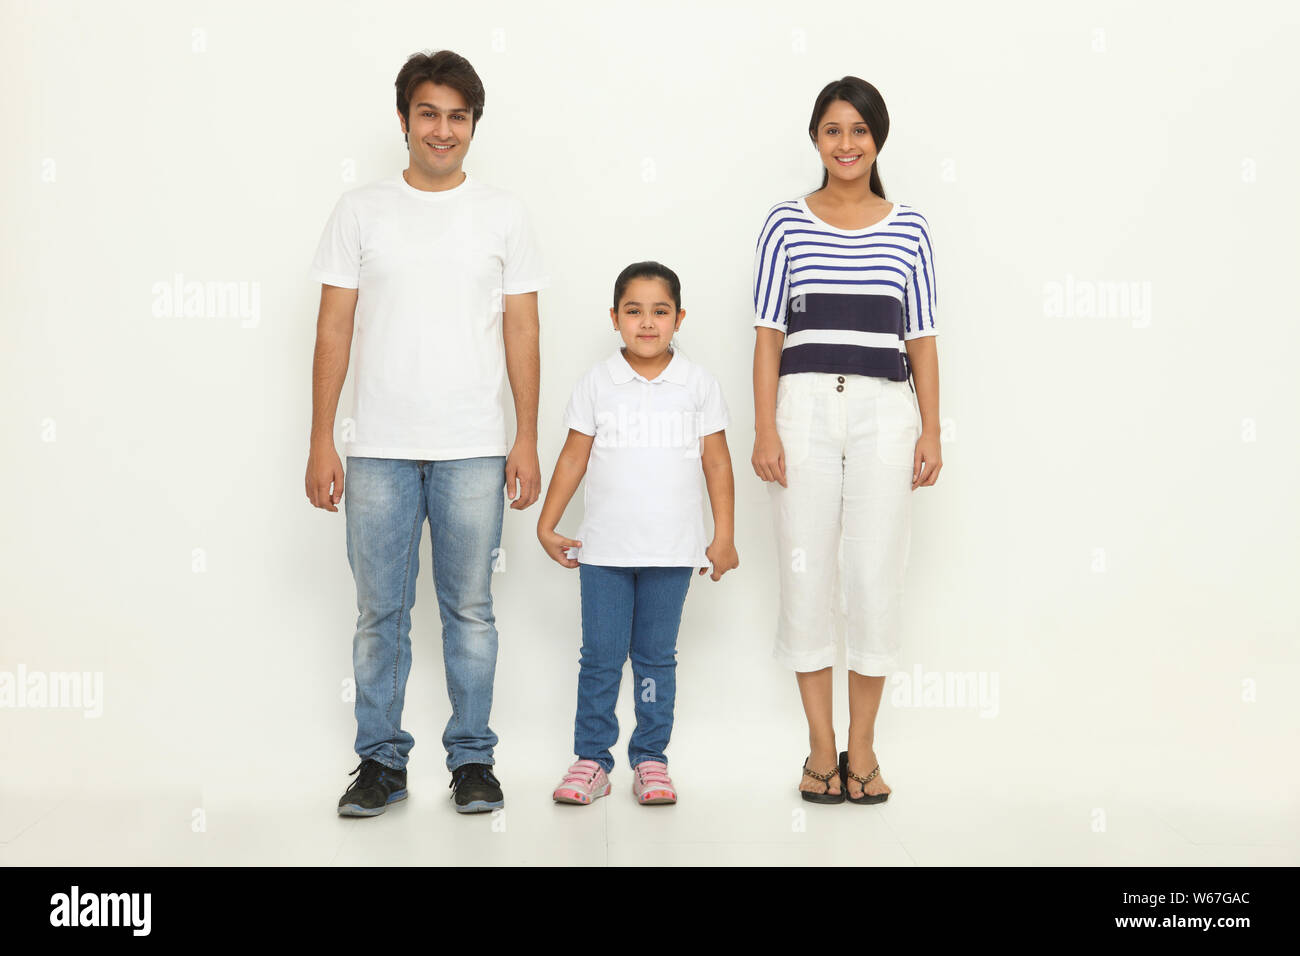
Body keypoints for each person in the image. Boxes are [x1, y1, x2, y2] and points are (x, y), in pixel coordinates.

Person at [304, 50, 549, 816]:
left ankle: (473, 761)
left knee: (469, 610)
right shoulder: (360, 210)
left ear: (473, 125)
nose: (442, 130)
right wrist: (320, 439)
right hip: (375, 445)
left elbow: (524, 332)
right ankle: (380, 762)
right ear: (405, 120)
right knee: (380, 613)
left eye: (458, 116)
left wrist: (527, 436)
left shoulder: (504, 213)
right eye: (428, 114)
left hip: (474, 444)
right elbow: (333, 328)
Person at [751, 76, 943, 806]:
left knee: (871, 576)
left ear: (877, 138)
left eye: (859, 130)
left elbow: (920, 336)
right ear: (816, 139)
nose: (847, 143)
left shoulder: (910, 227)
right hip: (801, 409)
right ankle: (819, 750)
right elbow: (769, 331)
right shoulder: (786, 222)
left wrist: (931, 427)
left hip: (884, 415)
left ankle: (862, 750)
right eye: (833, 130)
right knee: (805, 577)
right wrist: (766, 424)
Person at [536, 262, 738, 806]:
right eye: (634, 311)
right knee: (600, 657)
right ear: (614, 317)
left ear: (679, 318)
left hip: (672, 552)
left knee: (654, 659)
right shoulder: (597, 383)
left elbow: (718, 464)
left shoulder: (697, 384)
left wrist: (724, 536)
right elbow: (574, 455)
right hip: (604, 551)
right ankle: (591, 760)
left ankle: (650, 758)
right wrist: (547, 522)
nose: (646, 322)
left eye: (659, 311)